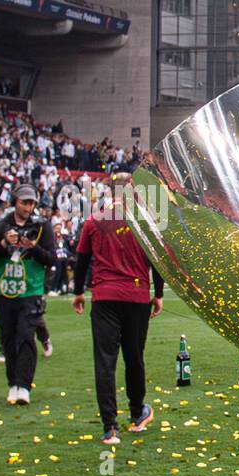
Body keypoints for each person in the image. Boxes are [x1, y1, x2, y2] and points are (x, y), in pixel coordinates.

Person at [71, 178, 165, 445]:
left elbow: (82, 260)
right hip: (136, 298)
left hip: (104, 297)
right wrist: (158, 294)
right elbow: (156, 263)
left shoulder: (94, 221)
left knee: (105, 362)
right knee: (134, 357)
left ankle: (110, 427)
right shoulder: (144, 224)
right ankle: (137, 414)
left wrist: (78, 291)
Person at [0, 184, 53, 405]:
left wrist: (33, 247)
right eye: (24, 202)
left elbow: (51, 258)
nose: (28, 207)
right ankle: (13, 383)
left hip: (31, 288)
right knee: (8, 335)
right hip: (5, 289)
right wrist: (3, 244)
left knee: (26, 335)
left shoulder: (42, 227)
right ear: (15, 202)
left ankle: (24, 385)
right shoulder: (1, 226)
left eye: (31, 203)